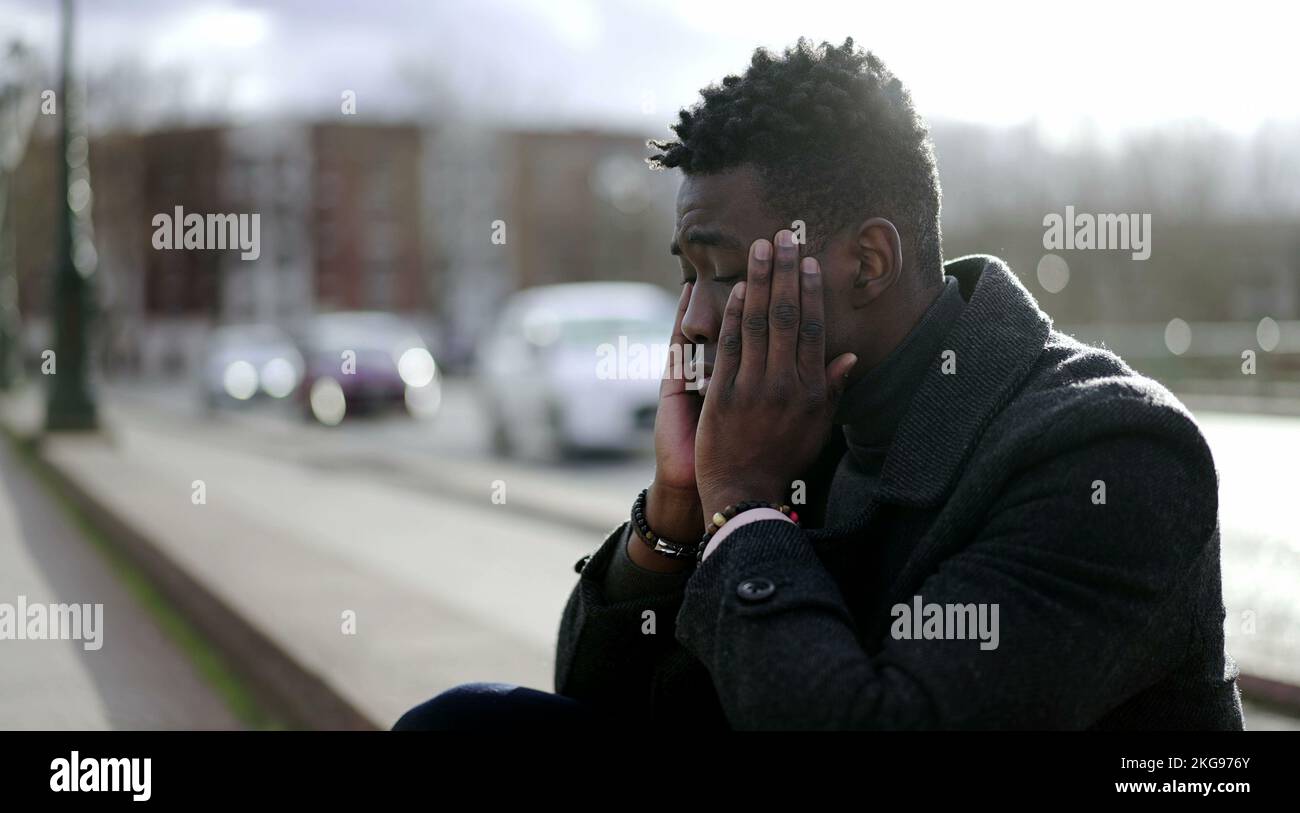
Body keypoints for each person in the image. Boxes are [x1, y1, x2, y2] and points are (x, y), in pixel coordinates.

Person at [395, 37, 1243, 731]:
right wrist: (678, 511)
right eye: (684, 274)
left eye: (723, 272)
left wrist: (748, 510)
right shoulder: (798, 414)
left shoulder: (1113, 453)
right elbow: (603, 698)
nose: (689, 319)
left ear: (868, 261)